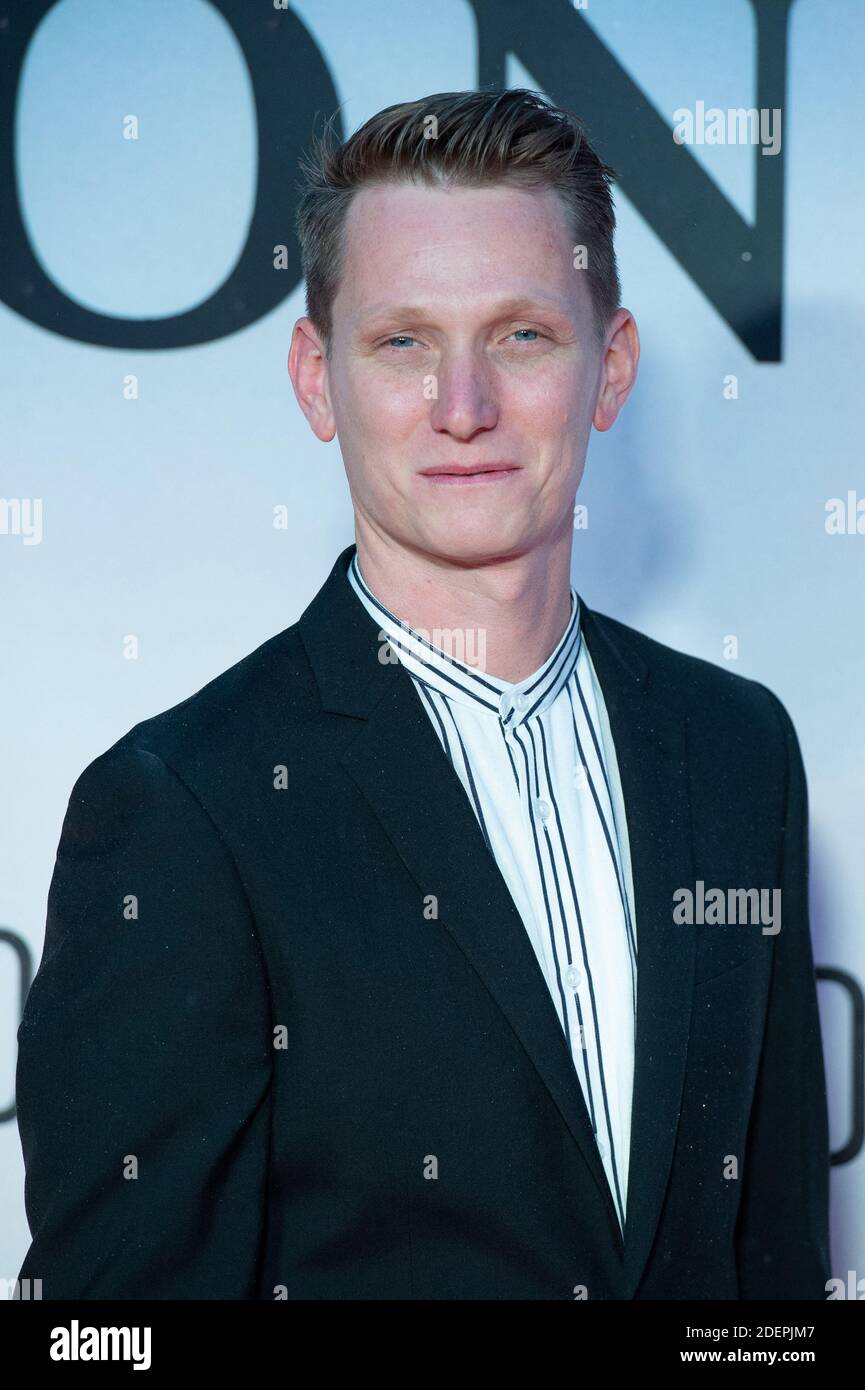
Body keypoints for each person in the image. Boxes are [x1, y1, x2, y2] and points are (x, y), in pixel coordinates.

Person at [16, 87, 830, 1299]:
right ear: (314, 377)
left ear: (609, 369)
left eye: (520, 335)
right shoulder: (185, 809)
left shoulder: (735, 749)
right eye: (403, 341)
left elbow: (772, 1269)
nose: (463, 408)